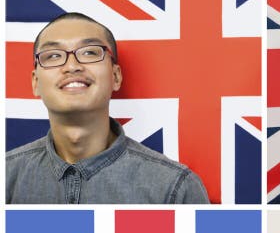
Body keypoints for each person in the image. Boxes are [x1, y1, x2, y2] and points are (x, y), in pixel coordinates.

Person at [6, 12, 209, 204]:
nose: (72, 66)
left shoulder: (175, 188)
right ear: (35, 82)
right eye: (53, 56)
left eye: (89, 52)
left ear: (116, 76)